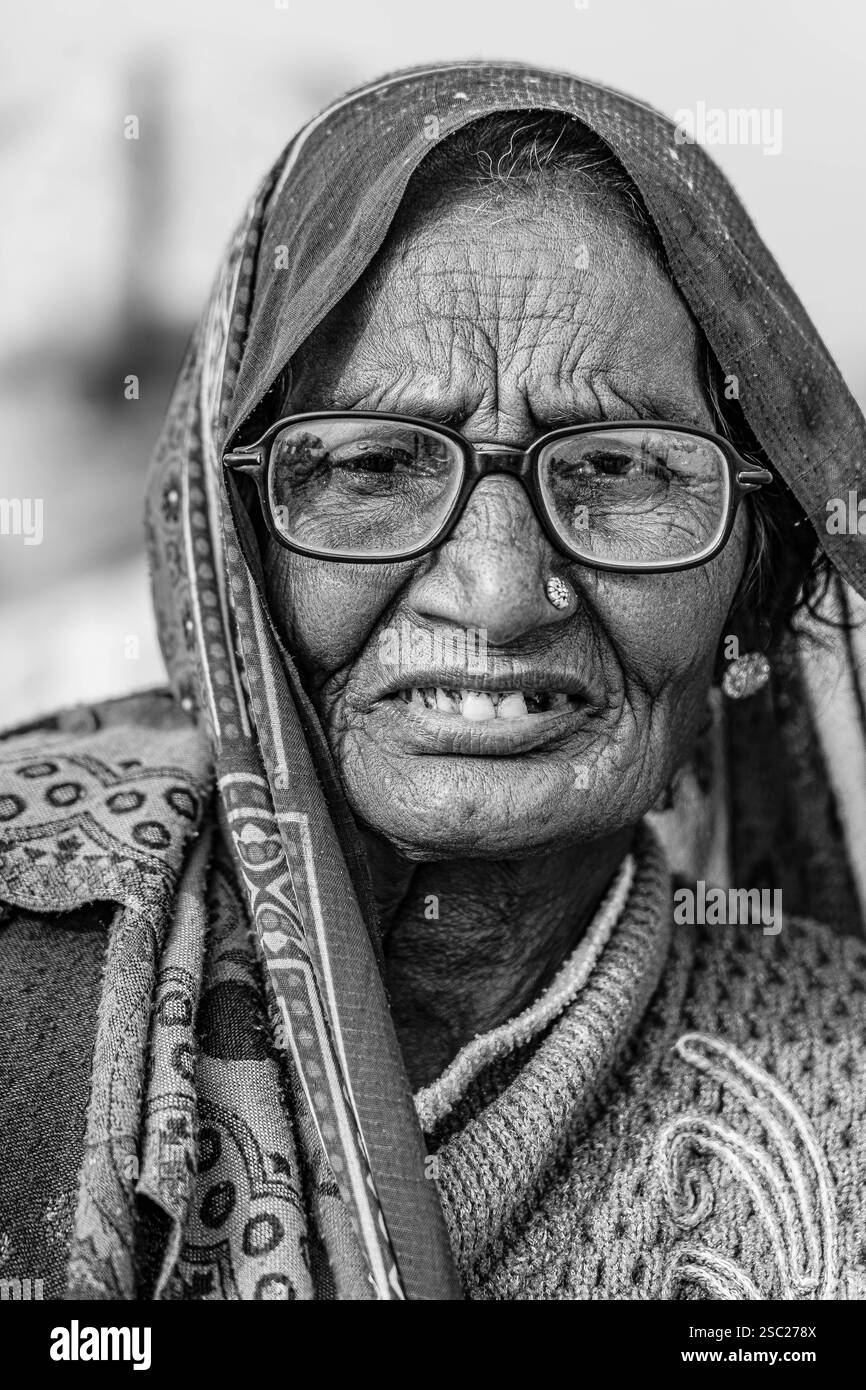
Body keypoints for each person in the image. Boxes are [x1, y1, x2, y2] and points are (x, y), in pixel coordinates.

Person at [1, 61, 865, 1302]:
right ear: (233, 551)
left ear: (756, 560)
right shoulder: (28, 936)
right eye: (373, 466)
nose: (503, 590)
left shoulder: (833, 1085)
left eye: (620, 468)